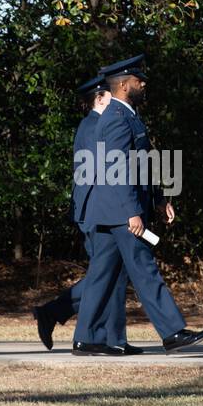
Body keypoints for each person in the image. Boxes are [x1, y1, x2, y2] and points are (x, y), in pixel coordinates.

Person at [72, 54, 203, 355]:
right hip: (120, 209)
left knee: (102, 274)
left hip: (115, 209)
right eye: (138, 80)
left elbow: (142, 165)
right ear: (123, 85)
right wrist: (133, 212)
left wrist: (159, 199)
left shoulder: (127, 114)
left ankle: (86, 338)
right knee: (145, 268)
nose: (143, 83)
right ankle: (173, 332)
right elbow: (116, 169)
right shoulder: (116, 118)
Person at [32, 74, 137, 353]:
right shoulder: (94, 126)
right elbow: (106, 174)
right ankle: (76, 324)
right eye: (109, 97)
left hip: (102, 210)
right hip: (97, 212)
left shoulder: (99, 123)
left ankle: (111, 337)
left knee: (111, 273)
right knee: (105, 273)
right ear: (100, 98)